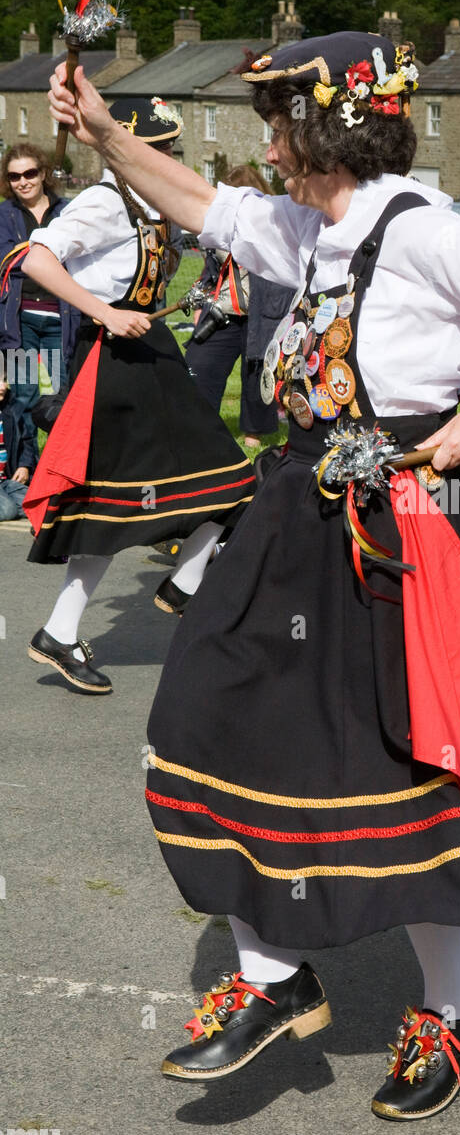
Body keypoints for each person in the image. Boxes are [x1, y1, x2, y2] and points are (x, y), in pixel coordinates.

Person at [47, 31, 460, 1119]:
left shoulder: (424, 228)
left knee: (406, 762)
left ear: (325, 127)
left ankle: (453, 1004)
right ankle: (273, 977)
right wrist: (109, 133)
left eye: (276, 121)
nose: (264, 142)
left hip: (397, 519)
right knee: (209, 712)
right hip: (294, 506)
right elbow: (198, 203)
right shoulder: (312, 226)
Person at [21, 97, 256, 696]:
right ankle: (71, 627)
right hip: (113, 361)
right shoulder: (104, 201)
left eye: (171, 148)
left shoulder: (149, 202)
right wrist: (104, 311)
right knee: (111, 505)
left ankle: (180, 585)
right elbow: (35, 261)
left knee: (232, 480)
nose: (170, 158)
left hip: (149, 353)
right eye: (162, 149)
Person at [184, 165, 296, 447]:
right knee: (199, 363)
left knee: (257, 372)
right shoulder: (218, 226)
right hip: (222, 311)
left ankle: (253, 434)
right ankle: (198, 425)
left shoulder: (272, 225)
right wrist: (200, 301)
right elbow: (211, 270)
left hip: (263, 313)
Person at [0, 144, 78, 412]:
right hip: (22, 322)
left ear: (43, 173)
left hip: (60, 319)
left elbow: (75, 256)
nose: (23, 182)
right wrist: (49, 255)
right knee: (23, 396)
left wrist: (30, 255)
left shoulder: (66, 212)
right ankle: (25, 456)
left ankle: (61, 456)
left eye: (29, 173)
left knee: (61, 395)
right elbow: (7, 260)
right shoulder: (4, 215)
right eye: (15, 176)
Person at [0, 375, 37, 520]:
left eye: (4, 380)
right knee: (8, 510)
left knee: (38, 504)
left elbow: (27, 441)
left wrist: (24, 466)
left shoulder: (12, 408)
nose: (3, 387)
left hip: (6, 481)